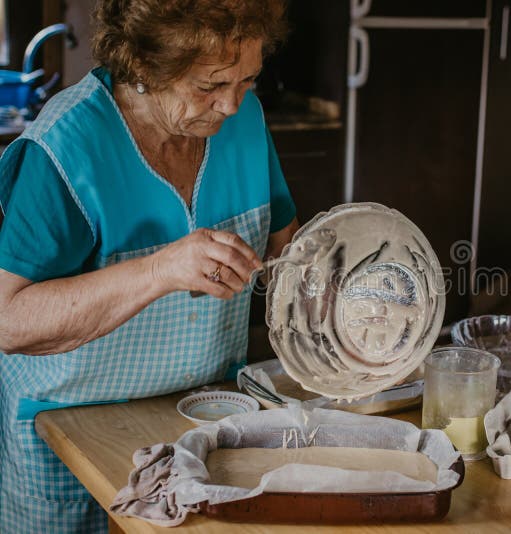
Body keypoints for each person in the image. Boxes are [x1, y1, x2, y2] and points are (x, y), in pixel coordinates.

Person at [0, 1, 298, 531]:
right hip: (72, 429)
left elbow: (286, 249)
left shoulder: (244, 119)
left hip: (203, 419)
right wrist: (161, 269)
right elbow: (9, 320)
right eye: (209, 86)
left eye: (247, 80)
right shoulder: (67, 149)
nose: (231, 105)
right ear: (144, 68)